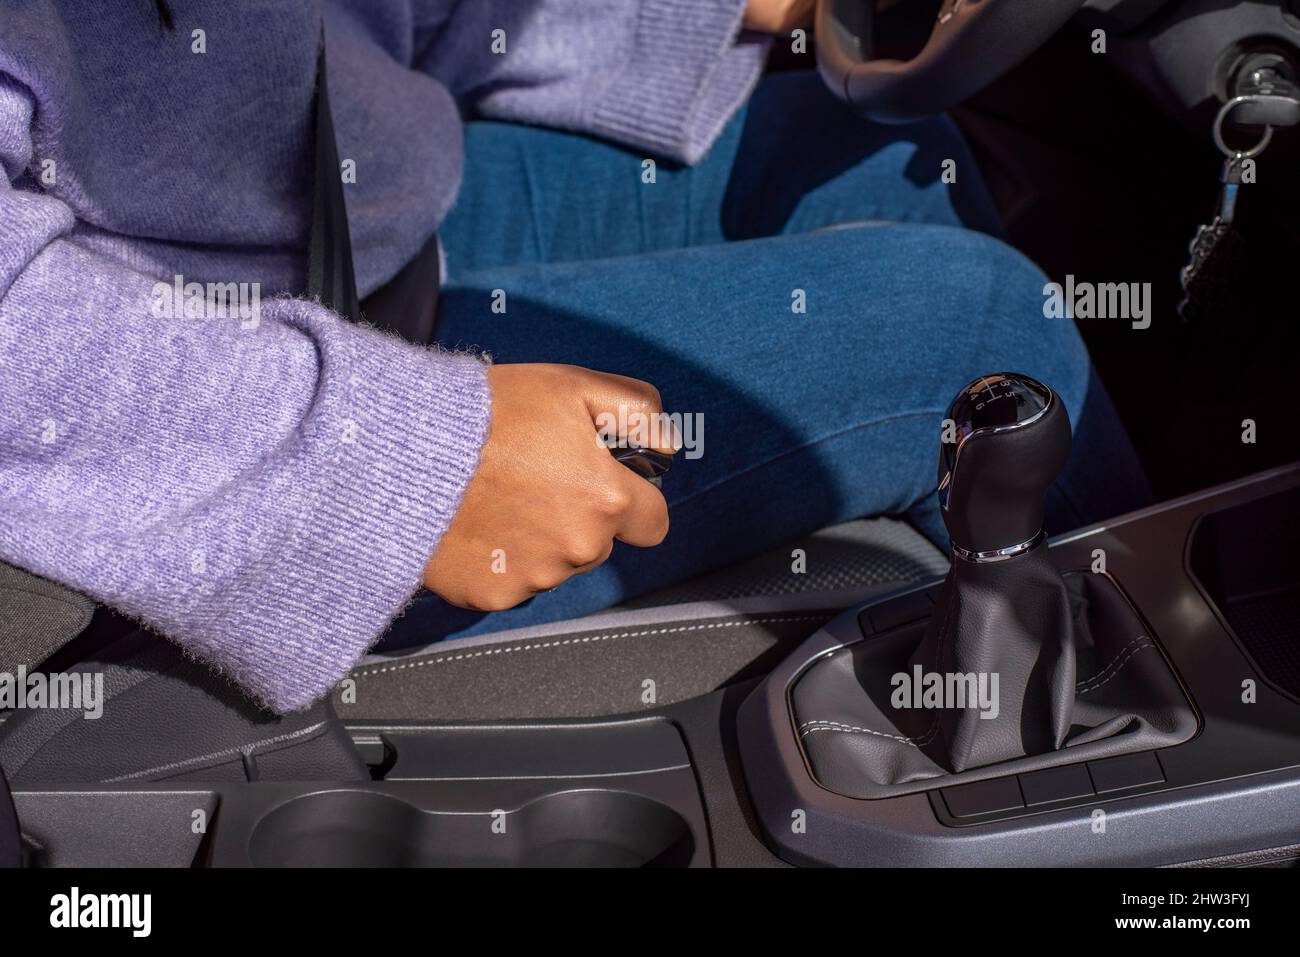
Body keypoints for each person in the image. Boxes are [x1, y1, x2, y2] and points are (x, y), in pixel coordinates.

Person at [0, 0, 1149, 712]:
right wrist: (388, 463)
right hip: (172, 443)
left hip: (336, 223)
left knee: (882, 151)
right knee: (979, 331)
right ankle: (1146, 724)